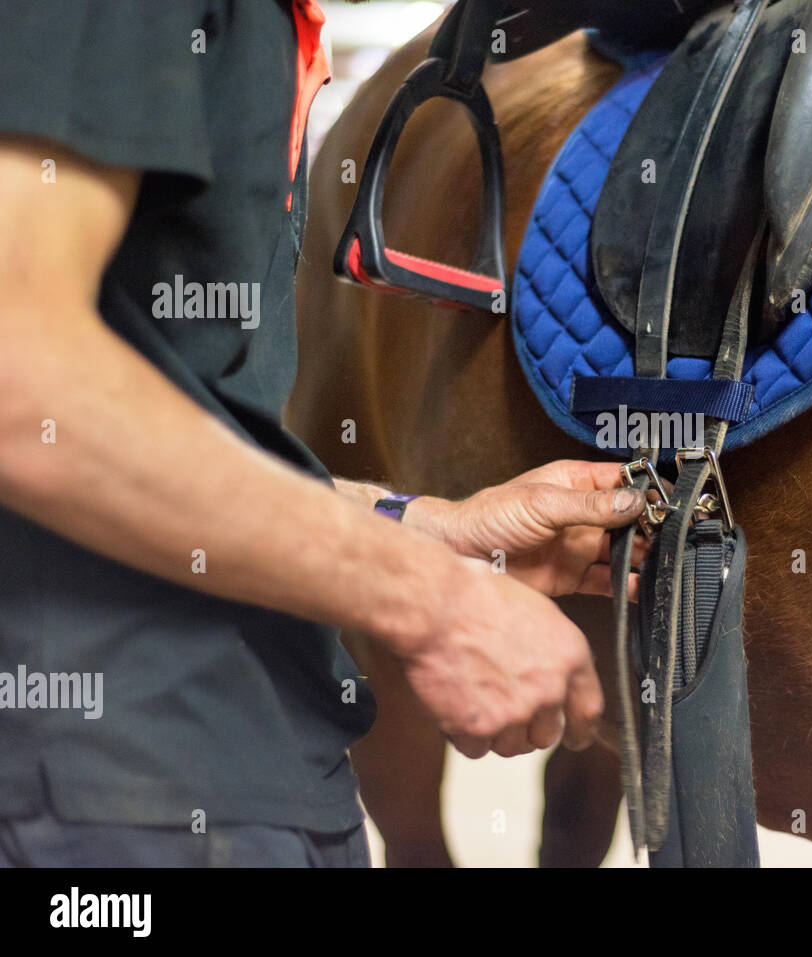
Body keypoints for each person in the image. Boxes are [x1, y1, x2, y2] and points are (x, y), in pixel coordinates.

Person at [0, 0, 642, 867]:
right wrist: (430, 600)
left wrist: (421, 527)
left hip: (223, 766)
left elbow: (181, 413)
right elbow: (22, 380)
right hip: (119, 787)